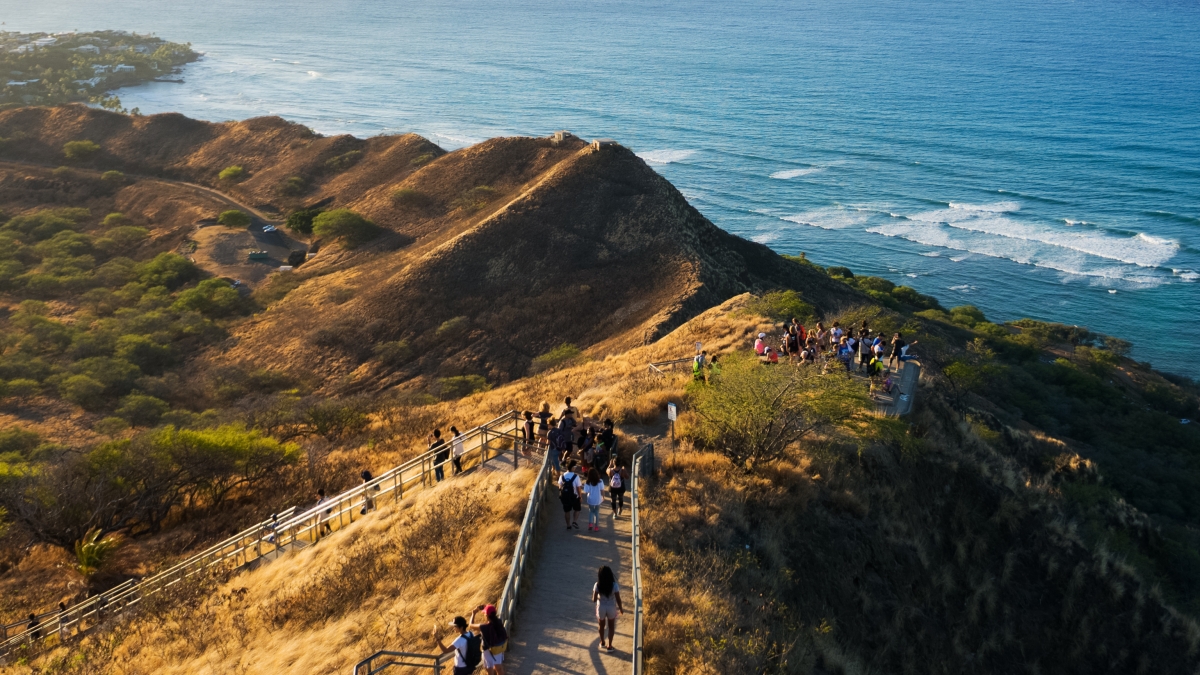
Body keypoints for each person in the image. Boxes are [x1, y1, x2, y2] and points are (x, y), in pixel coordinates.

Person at [592, 565, 624, 652]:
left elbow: (594, 600)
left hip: (601, 607)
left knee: (601, 625)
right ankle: (609, 646)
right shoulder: (614, 585)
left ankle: (602, 642)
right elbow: (618, 599)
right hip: (611, 607)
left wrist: (596, 595)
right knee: (611, 627)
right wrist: (621, 608)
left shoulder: (597, 585)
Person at [471, 604, 508, 675]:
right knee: (499, 668)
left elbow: (471, 625)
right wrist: (484, 607)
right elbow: (492, 610)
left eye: (484, 614)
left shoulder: (484, 627)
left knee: (490, 671)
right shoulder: (499, 621)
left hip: (488, 651)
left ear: (486, 615)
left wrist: (473, 613)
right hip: (498, 649)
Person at [558, 460, 583, 529]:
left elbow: (560, 486)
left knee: (567, 511)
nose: (575, 468)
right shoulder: (576, 476)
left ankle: (568, 525)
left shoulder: (562, 476)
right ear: (572, 467)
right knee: (577, 509)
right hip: (574, 496)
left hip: (565, 496)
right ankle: (574, 521)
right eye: (575, 466)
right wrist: (580, 496)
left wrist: (562, 494)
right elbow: (578, 488)